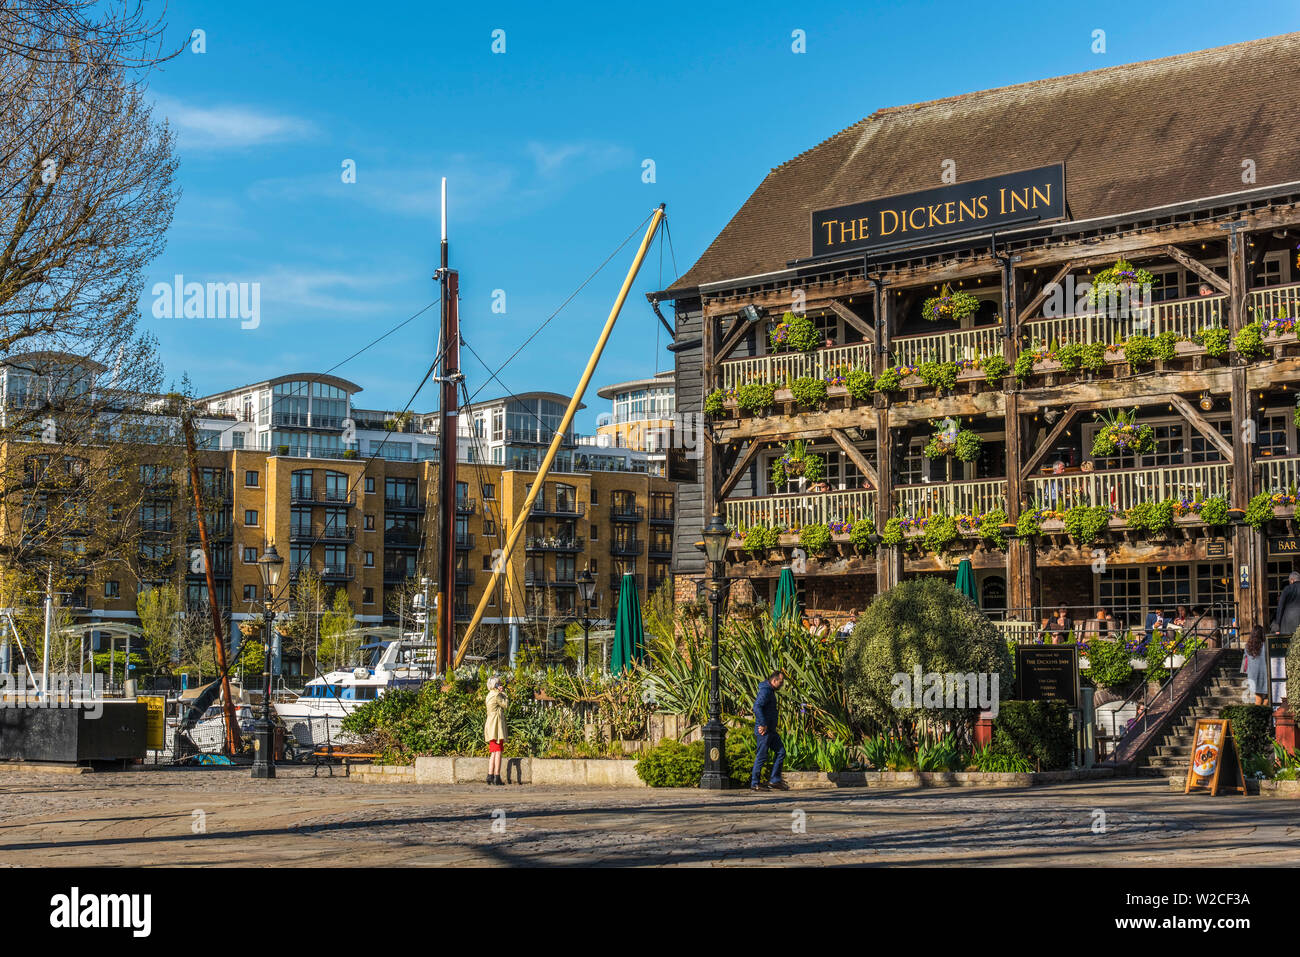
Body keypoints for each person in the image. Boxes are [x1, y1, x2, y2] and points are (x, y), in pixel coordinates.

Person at [751, 670, 788, 791]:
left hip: (771, 730)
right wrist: (763, 724)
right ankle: (755, 783)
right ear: (774, 680)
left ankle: (774, 780)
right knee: (761, 756)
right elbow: (756, 706)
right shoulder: (765, 691)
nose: (782, 685)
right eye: (781, 682)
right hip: (765, 730)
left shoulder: (770, 691)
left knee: (781, 751)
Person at [484, 676, 508, 785]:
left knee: (493, 751)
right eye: (499, 683)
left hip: (490, 723)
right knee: (498, 751)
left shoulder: (489, 695)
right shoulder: (497, 695)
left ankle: (490, 775)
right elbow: (505, 704)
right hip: (496, 725)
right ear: (496, 685)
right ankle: (497, 776)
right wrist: (504, 693)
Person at [1243, 625, 1271, 706]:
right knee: (1270, 696)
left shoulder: (1247, 646)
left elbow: (1245, 661)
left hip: (1253, 676)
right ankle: (1261, 714)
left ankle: (1259, 714)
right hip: (1264, 674)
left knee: (1258, 700)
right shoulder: (1265, 645)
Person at [1275, 571, 1300, 636]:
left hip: (1287, 623)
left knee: (1288, 644)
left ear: (1292, 580)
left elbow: (1280, 607)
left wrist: (1277, 626)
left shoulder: (1287, 589)